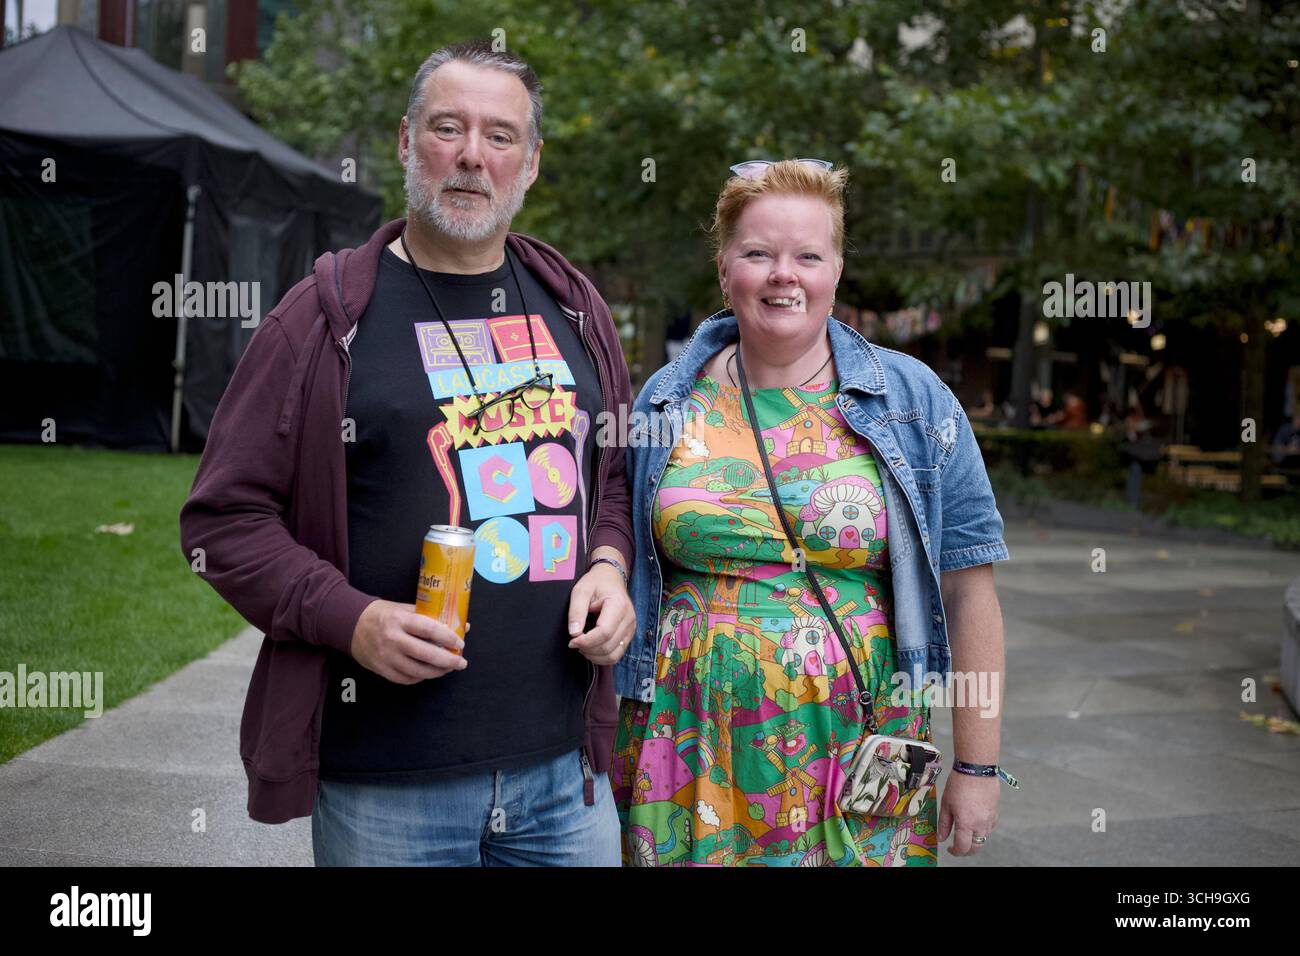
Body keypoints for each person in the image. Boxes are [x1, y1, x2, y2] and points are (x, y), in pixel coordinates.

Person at [179, 40, 636, 866]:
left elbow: (613, 476)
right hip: (388, 785)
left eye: (500, 137)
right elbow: (223, 521)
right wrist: (349, 620)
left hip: (563, 777)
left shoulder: (576, 311)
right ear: (403, 142)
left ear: (530, 164)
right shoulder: (319, 321)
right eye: (447, 128)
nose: (471, 155)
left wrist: (608, 561)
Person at [611, 159, 1013, 866]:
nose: (782, 275)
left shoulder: (914, 400)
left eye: (807, 256)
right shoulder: (663, 402)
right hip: (686, 733)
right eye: (758, 253)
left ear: (837, 269)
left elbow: (968, 588)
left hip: (858, 739)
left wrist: (977, 768)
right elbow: (614, 538)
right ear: (724, 266)